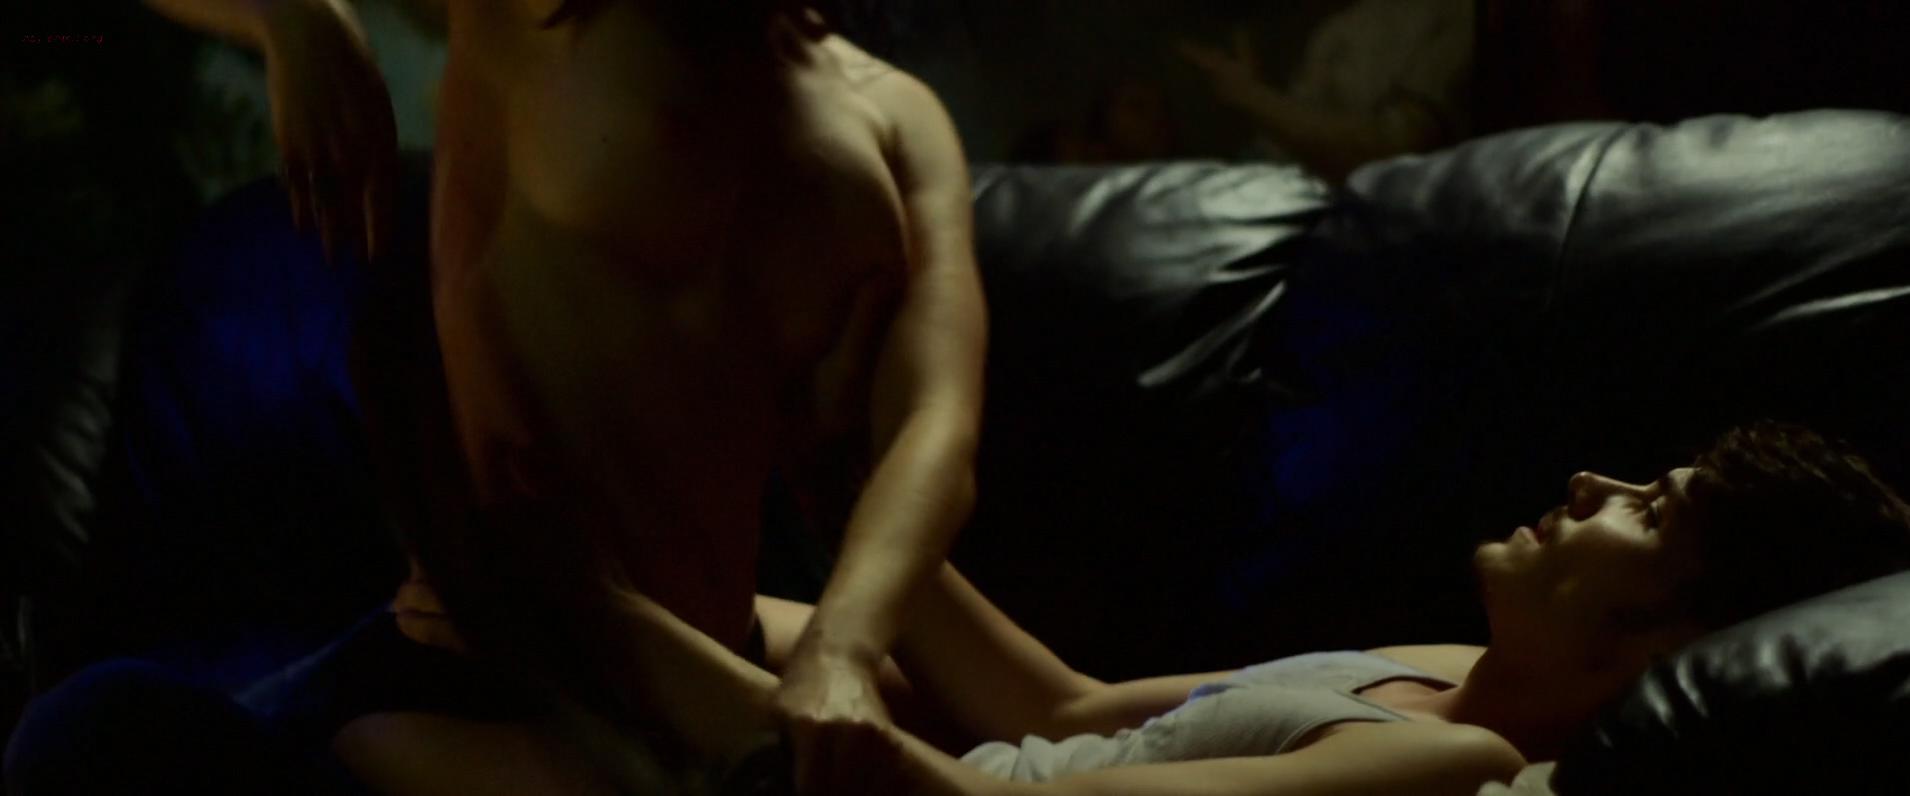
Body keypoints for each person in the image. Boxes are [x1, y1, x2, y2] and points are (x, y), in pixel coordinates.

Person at [112, 0, 988, 793]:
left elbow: (935, 423)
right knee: (110, 730)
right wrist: (296, 22)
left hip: (720, 666)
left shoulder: (897, 120)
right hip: (489, 669)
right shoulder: (536, 20)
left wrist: (843, 647)